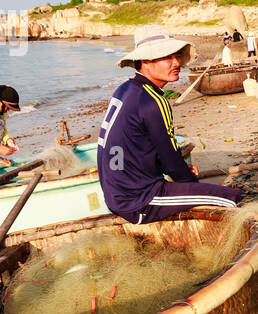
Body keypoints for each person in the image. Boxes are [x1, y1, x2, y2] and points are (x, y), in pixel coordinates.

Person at [97, 25, 242, 224]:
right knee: (232, 199)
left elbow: (137, 148)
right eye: (167, 57)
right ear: (145, 61)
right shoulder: (154, 102)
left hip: (115, 195)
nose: (177, 63)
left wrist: (179, 172)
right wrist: (190, 184)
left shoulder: (125, 90)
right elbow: (171, 161)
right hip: (140, 200)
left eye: (177, 56)